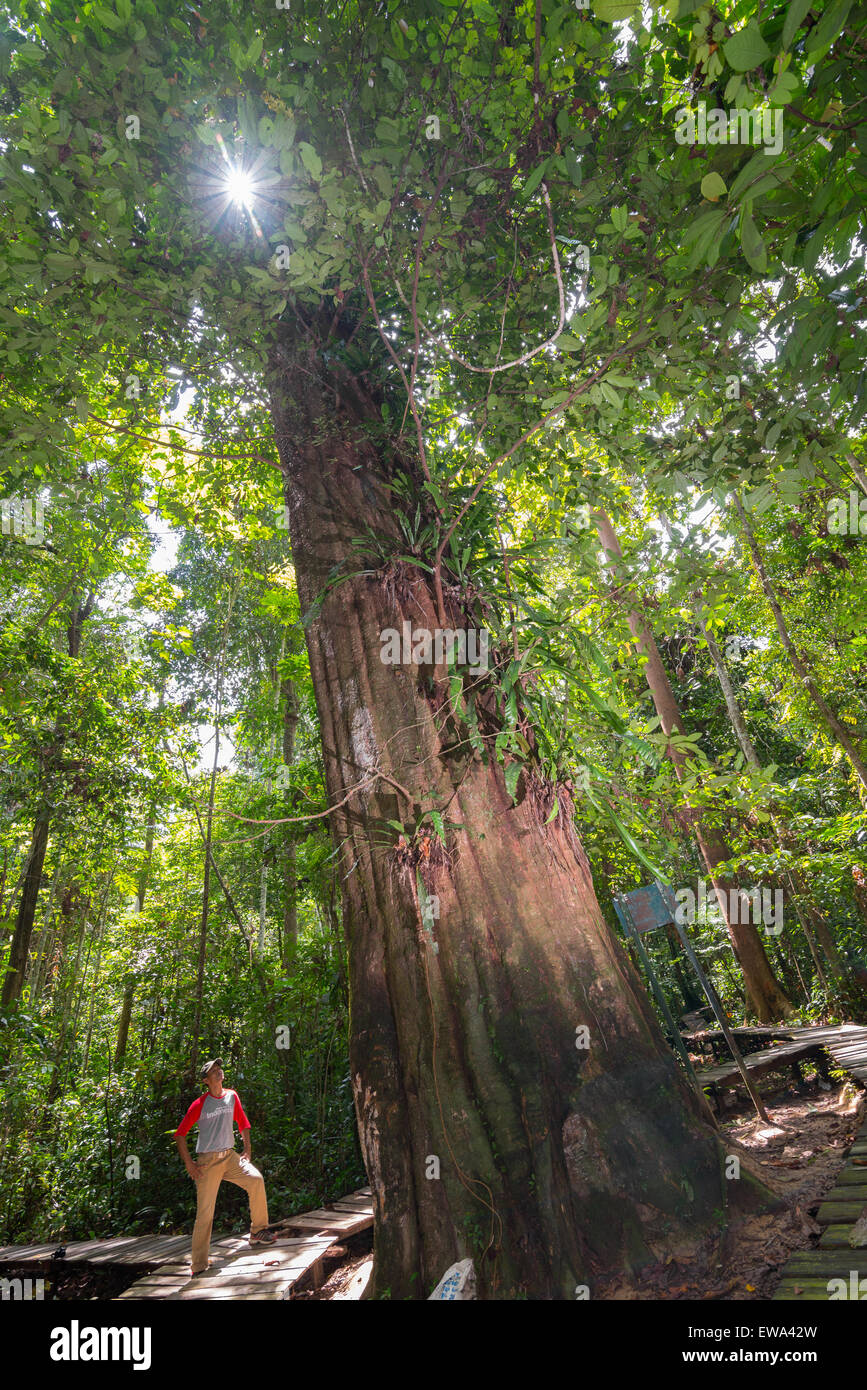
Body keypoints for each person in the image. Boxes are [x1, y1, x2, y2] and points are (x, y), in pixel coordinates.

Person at [175, 1058, 276, 1276]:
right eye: (213, 1071)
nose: (219, 1072)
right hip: (207, 1162)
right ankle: (199, 1265)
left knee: (256, 1180)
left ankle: (258, 1231)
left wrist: (247, 1150)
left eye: (219, 1068)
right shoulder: (200, 1104)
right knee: (205, 1214)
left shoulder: (232, 1096)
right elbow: (180, 1134)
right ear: (206, 1080)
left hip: (230, 1157)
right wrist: (189, 1164)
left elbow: (244, 1123)